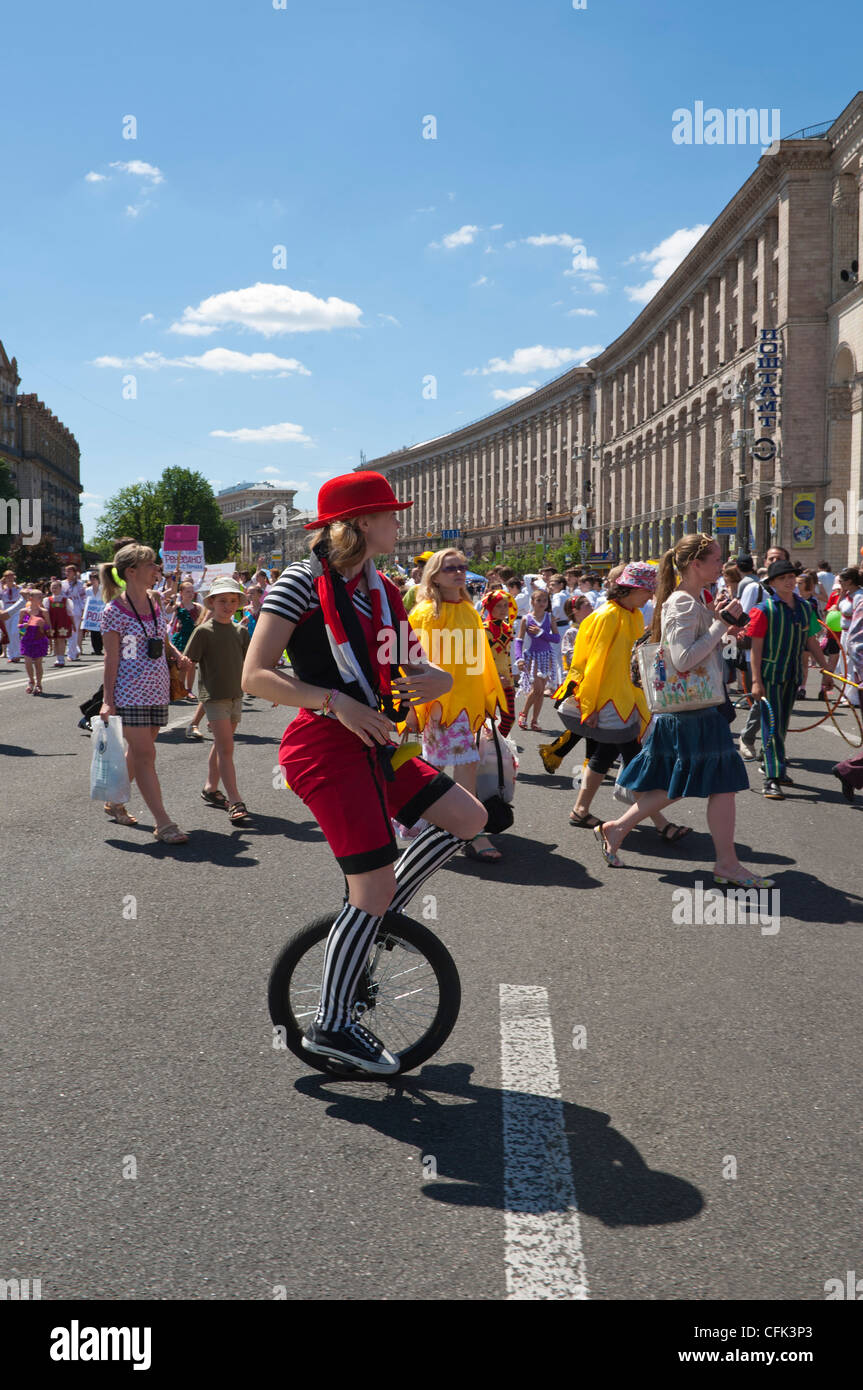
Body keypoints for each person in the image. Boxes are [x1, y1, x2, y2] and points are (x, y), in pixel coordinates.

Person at [243, 472, 486, 1074]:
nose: (400, 523)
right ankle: (331, 1025)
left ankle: (373, 909)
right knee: (371, 890)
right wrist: (335, 701)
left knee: (468, 816)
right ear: (360, 524)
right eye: (390, 514)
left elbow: (410, 663)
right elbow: (254, 674)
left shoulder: (384, 589)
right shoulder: (299, 583)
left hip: (378, 742)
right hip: (324, 745)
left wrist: (440, 679)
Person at [597, 534, 771, 885]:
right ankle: (727, 864)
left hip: (699, 708)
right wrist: (721, 623)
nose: (722, 565)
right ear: (696, 564)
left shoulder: (695, 599)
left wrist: (722, 623)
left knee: (683, 783)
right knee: (718, 783)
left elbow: (701, 649)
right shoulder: (682, 602)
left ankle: (617, 829)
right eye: (717, 559)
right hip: (691, 711)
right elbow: (683, 659)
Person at [559, 563, 689, 840]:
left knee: (605, 754)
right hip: (609, 703)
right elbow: (594, 665)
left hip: (625, 700)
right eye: (647, 591)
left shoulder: (629, 614)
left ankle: (580, 810)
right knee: (635, 759)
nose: (650, 596)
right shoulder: (608, 616)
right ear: (632, 589)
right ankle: (661, 823)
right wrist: (590, 706)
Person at [407, 548, 507, 864]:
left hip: (468, 704)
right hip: (437, 704)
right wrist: (411, 707)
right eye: (451, 568)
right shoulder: (423, 613)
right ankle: (428, 821)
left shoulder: (469, 609)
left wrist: (490, 696)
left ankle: (467, 827)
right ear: (434, 575)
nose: (459, 572)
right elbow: (407, 660)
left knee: (466, 763)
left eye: (463, 566)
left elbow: (479, 660)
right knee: (437, 765)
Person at [99, 544, 193, 843]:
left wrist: (177, 654)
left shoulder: (154, 601)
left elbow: (160, 637)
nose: (157, 569)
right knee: (146, 755)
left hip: (157, 687)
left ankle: (114, 801)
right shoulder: (113, 611)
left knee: (139, 752)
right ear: (131, 571)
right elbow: (110, 659)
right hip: (129, 692)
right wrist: (107, 701)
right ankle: (164, 823)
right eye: (152, 564)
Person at [746, 559, 836, 798]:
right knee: (772, 724)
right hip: (770, 676)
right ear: (773, 583)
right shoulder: (764, 610)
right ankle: (772, 777)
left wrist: (826, 670)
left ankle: (773, 764)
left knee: (782, 724)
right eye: (782, 578)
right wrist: (756, 680)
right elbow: (756, 648)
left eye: (791, 577)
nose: (788, 581)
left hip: (792, 674)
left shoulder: (805, 608)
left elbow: (811, 641)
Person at [183, 577, 252, 825]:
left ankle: (211, 787)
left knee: (223, 745)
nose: (228, 605)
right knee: (226, 748)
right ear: (211, 602)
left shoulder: (241, 631)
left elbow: (251, 666)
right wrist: (182, 677)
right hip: (214, 698)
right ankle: (235, 800)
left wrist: (269, 691)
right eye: (222, 600)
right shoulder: (203, 631)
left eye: (233, 601)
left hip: (236, 696)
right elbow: (188, 660)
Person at [536, 592, 607, 774]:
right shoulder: (572, 632)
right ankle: (588, 764)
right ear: (574, 611)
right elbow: (570, 657)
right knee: (587, 723)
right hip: (579, 684)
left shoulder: (594, 627)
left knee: (589, 724)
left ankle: (559, 755)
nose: (591, 607)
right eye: (586, 605)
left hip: (597, 680)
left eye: (591, 605)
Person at [515, 587, 560, 731]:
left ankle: (534, 720)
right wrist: (519, 658)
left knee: (541, 691)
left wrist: (541, 633)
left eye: (545, 600)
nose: (542, 603)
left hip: (546, 657)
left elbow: (556, 638)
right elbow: (519, 640)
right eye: (538, 600)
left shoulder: (549, 617)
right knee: (537, 689)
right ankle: (524, 713)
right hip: (532, 657)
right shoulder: (526, 618)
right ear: (532, 602)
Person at [480, 589, 515, 737]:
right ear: (490, 607)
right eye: (498, 606)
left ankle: (495, 744)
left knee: (509, 719)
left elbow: (506, 656)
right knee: (486, 719)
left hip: (507, 681)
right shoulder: (484, 630)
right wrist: (495, 677)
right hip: (489, 682)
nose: (503, 609)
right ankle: (486, 749)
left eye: (505, 605)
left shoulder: (507, 628)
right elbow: (481, 659)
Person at [19, 585, 51, 694]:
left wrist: (43, 626)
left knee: (38, 663)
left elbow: (49, 627)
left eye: (41, 597)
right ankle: (31, 681)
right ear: (31, 598)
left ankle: (39, 684)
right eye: (39, 597)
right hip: (27, 639)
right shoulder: (23, 611)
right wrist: (24, 626)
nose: (41, 600)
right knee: (27, 661)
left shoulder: (44, 612)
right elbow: (19, 628)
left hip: (39, 639)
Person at [61, 565, 87, 661]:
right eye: (66, 571)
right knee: (67, 631)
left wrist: (83, 609)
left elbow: (84, 598)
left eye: (69, 571)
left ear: (74, 573)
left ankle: (71, 653)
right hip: (65, 608)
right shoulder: (62, 583)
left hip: (76, 608)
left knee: (74, 631)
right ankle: (75, 650)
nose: (67, 573)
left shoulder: (80, 584)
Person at [46, 578, 75, 666]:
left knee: (61, 639)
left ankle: (61, 658)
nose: (54, 589)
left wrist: (73, 624)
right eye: (52, 587)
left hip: (63, 622)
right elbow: (46, 613)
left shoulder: (66, 600)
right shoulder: (47, 600)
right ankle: (58, 658)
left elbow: (70, 613)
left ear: (60, 588)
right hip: (52, 622)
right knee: (55, 640)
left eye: (56, 587)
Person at [2, 570, 24, 662]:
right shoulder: (2, 588)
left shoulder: (19, 588)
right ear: (5, 578)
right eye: (8, 577)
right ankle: (11, 655)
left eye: (11, 576)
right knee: (8, 633)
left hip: (16, 610)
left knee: (15, 632)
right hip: (5, 610)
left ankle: (17, 654)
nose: (10, 578)